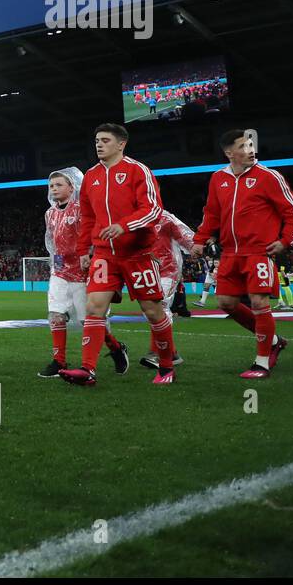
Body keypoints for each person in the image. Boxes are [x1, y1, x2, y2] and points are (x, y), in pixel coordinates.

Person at [60, 123, 177, 387]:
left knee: (152, 311)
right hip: (104, 254)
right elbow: (87, 217)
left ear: (121, 144)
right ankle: (88, 370)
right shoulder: (91, 176)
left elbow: (153, 209)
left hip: (137, 253)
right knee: (94, 307)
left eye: (104, 140)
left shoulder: (138, 171)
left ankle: (167, 365)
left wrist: (124, 225)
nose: (99, 145)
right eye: (97, 141)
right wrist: (83, 250)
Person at [191, 129, 293, 378]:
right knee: (226, 303)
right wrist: (199, 239)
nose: (250, 150)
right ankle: (273, 341)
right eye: (243, 146)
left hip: (258, 252)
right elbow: (212, 214)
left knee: (260, 303)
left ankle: (261, 362)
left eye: (251, 145)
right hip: (229, 254)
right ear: (229, 153)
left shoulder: (269, 177)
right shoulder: (218, 178)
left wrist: (285, 241)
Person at [40, 168, 129, 378]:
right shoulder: (49, 213)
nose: (54, 189)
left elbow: (91, 237)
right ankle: (58, 360)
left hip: (82, 271)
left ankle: (116, 348)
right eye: (51, 186)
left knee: (88, 320)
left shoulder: (81, 210)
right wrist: (56, 262)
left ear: (72, 187)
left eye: (59, 185)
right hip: (60, 272)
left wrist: (89, 257)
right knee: (55, 315)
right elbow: (51, 241)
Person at [138, 210, 196, 368]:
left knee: (160, 308)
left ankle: (158, 353)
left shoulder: (165, 218)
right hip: (147, 270)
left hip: (168, 269)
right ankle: (171, 352)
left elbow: (186, 237)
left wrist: (196, 247)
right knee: (151, 310)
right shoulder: (135, 218)